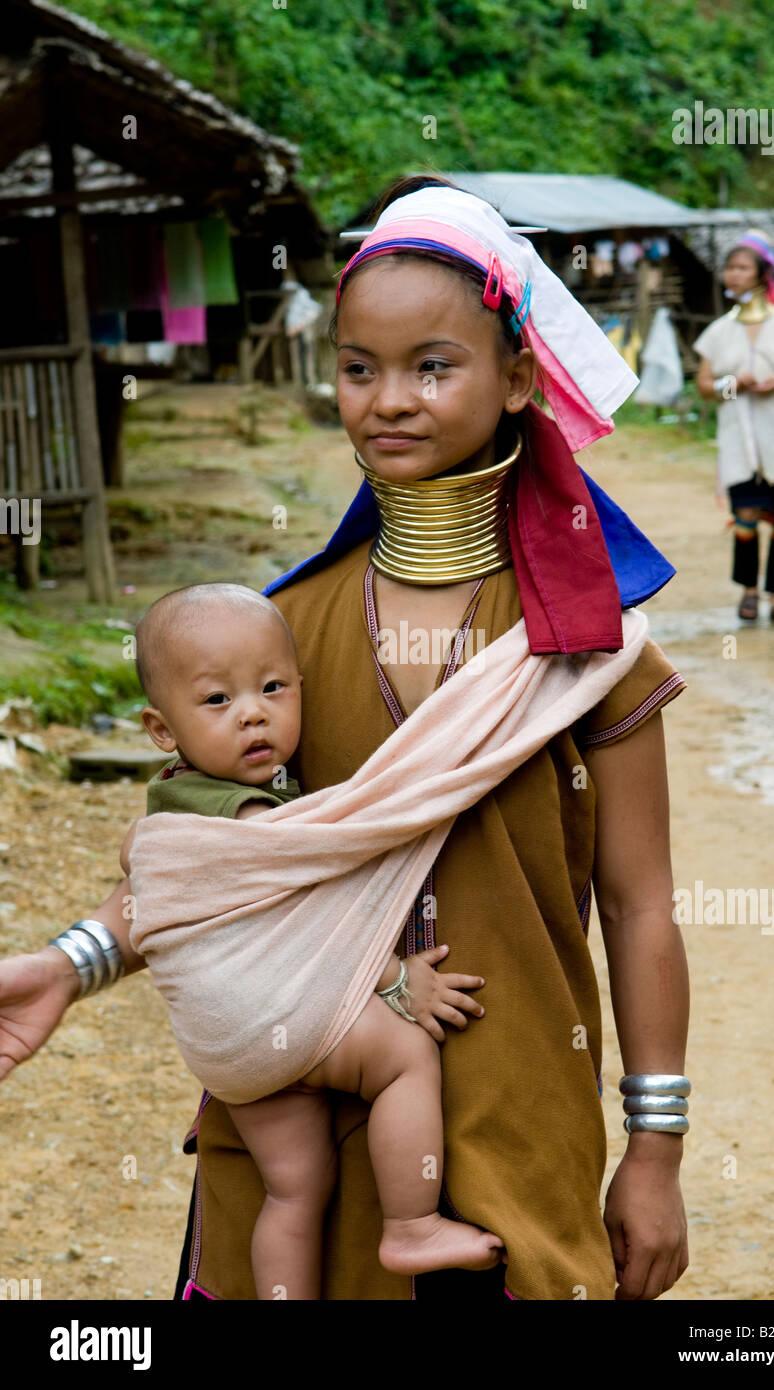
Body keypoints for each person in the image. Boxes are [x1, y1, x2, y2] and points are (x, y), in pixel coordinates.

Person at [0, 175, 691, 1302]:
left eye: (432, 364)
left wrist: (654, 1148)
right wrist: (68, 966)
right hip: (308, 1120)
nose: (390, 399)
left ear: (520, 378)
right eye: (359, 367)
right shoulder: (278, 639)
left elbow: (639, 901)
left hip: (519, 1107)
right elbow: (215, 859)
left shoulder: (585, 642)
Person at [119, 580, 504, 1298]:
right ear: (161, 730)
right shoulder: (256, 816)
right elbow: (325, 908)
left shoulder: (170, 801)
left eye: (272, 688)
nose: (253, 714)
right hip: (274, 1014)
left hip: (227, 1056)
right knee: (403, 1058)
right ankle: (411, 1225)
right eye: (217, 701)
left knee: (294, 1192)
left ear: (302, 687)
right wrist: (392, 979)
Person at [693, 230, 774, 624]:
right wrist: (735, 384)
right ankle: (749, 594)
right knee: (747, 513)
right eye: (729, 267)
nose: (733, 275)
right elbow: (704, 386)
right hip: (740, 440)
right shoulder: (719, 332)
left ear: (762, 274)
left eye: (742, 267)